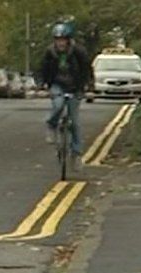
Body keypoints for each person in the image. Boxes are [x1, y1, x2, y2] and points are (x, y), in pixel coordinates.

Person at [41, 23, 91, 171]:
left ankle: (76, 155)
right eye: (57, 40)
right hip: (57, 85)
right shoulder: (50, 53)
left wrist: (88, 86)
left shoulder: (78, 52)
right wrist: (42, 84)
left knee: (75, 123)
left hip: (75, 87)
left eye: (63, 40)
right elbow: (42, 70)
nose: (60, 43)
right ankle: (51, 125)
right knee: (58, 105)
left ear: (69, 40)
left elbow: (86, 70)